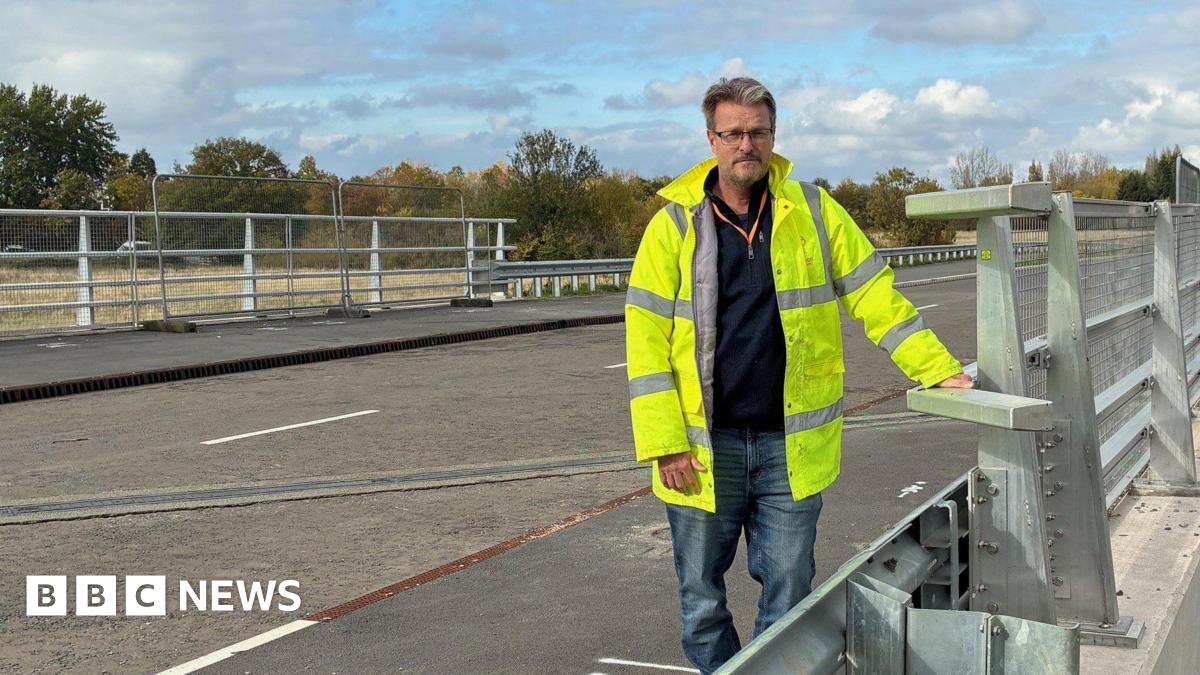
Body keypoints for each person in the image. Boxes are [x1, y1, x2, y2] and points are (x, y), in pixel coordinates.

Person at [624, 76, 972, 674]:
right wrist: (664, 442)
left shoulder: (812, 210)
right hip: (703, 448)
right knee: (701, 600)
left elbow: (874, 295)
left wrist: (937, 368)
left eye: (758, 132)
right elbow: (646, 339)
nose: (746, 145)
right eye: (733, 133)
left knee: (789, 597)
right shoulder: (674, 225)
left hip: (790, 448)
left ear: (773, 135)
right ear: (711, 139)